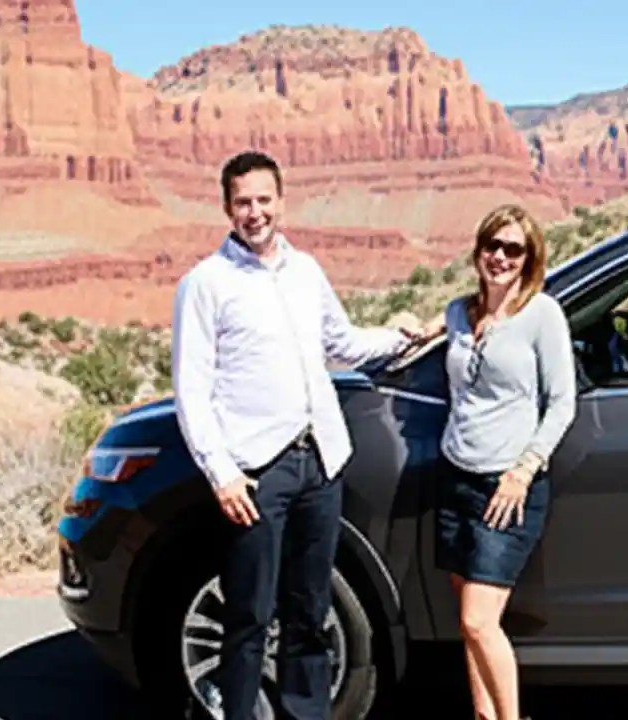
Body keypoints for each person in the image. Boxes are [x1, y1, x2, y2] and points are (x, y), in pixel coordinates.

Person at [171, 149, 415, 719]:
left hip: (319, 462)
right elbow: (191, 388)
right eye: (242, 203)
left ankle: (307, 713)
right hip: (257, 474)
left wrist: (400, 335)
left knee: (309, 610)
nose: (255, 213)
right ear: (226, 207)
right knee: (249, 613)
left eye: (263, 200)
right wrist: (222, 473)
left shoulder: (305, 271)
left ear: (281, 201)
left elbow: (343, 343)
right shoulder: (206, 284)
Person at [434, 204, 577, 720]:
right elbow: (433, 342)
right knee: (469, 621)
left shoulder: (541, 315)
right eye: (491, 246)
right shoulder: (458, 313)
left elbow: (563, 401)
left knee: (478, 621)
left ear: (528, 258)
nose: (499, 257)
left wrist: (523, 470)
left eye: (512, 249)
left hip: (505, 487)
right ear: (478, 251)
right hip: (456, 478)